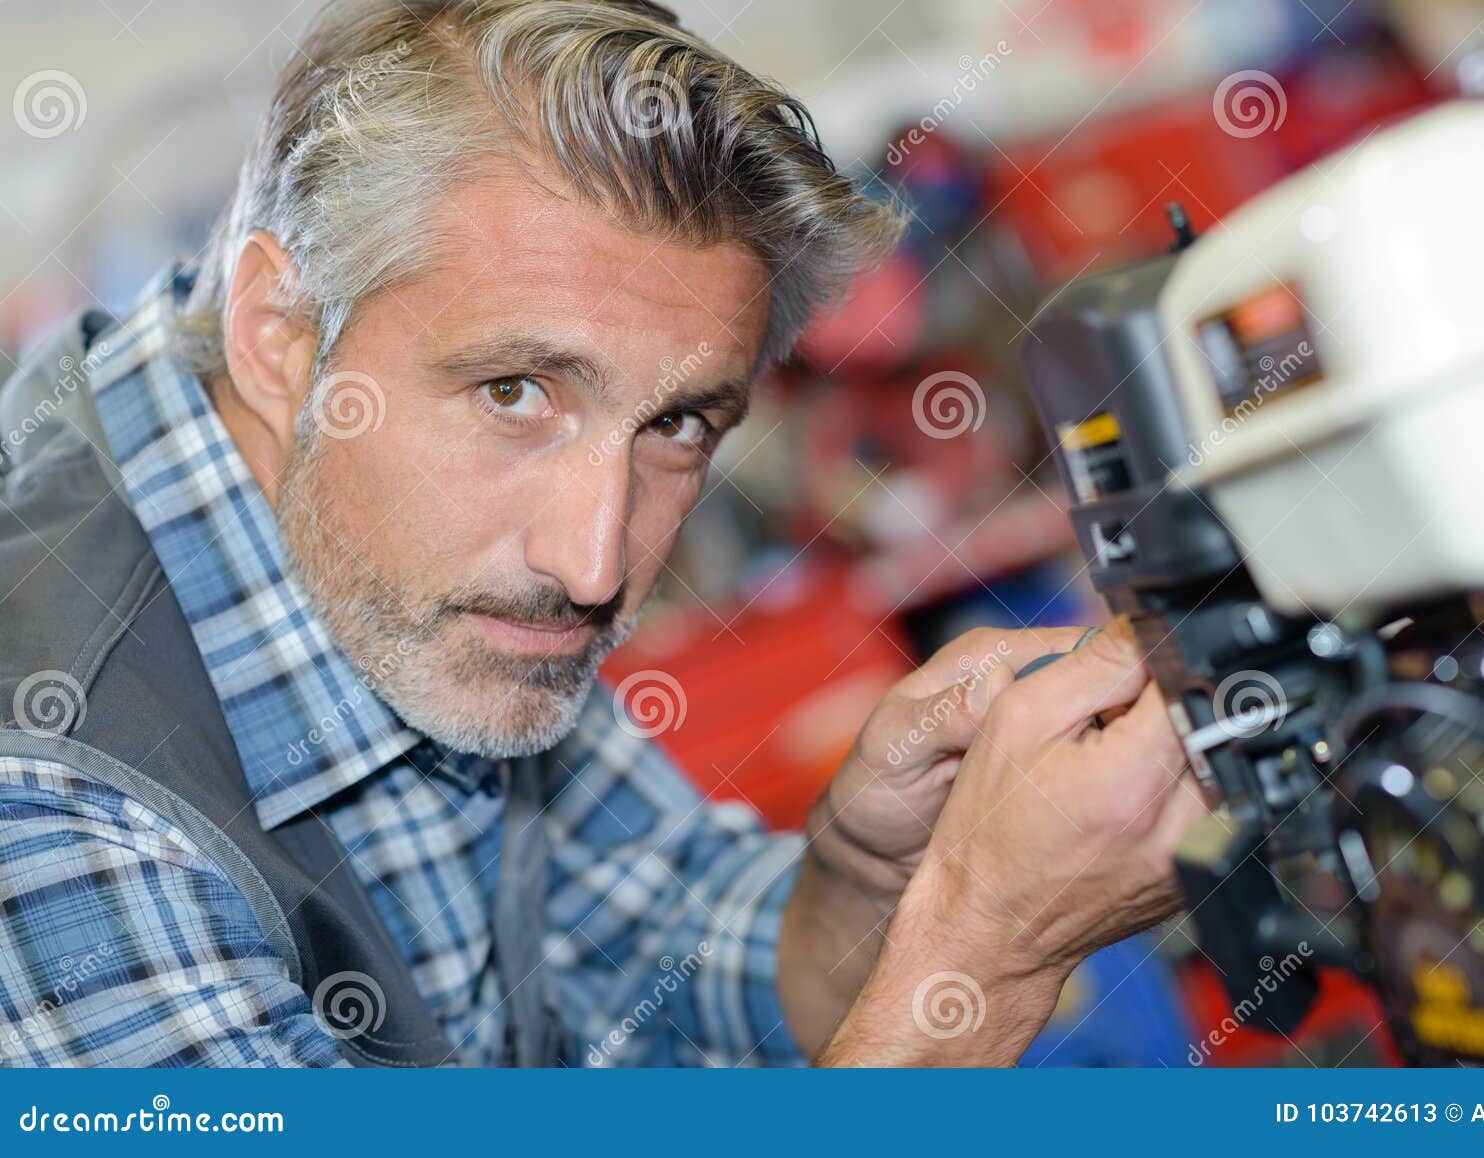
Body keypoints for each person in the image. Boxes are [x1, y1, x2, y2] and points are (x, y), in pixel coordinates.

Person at [0, 0, 1207, 1067]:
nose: (593, 565)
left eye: (678, 421)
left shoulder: (418, 563)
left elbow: (651, 955)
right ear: (278, 330)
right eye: (515, 394)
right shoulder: (51, 801)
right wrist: (982, 957)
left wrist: (862, 875)